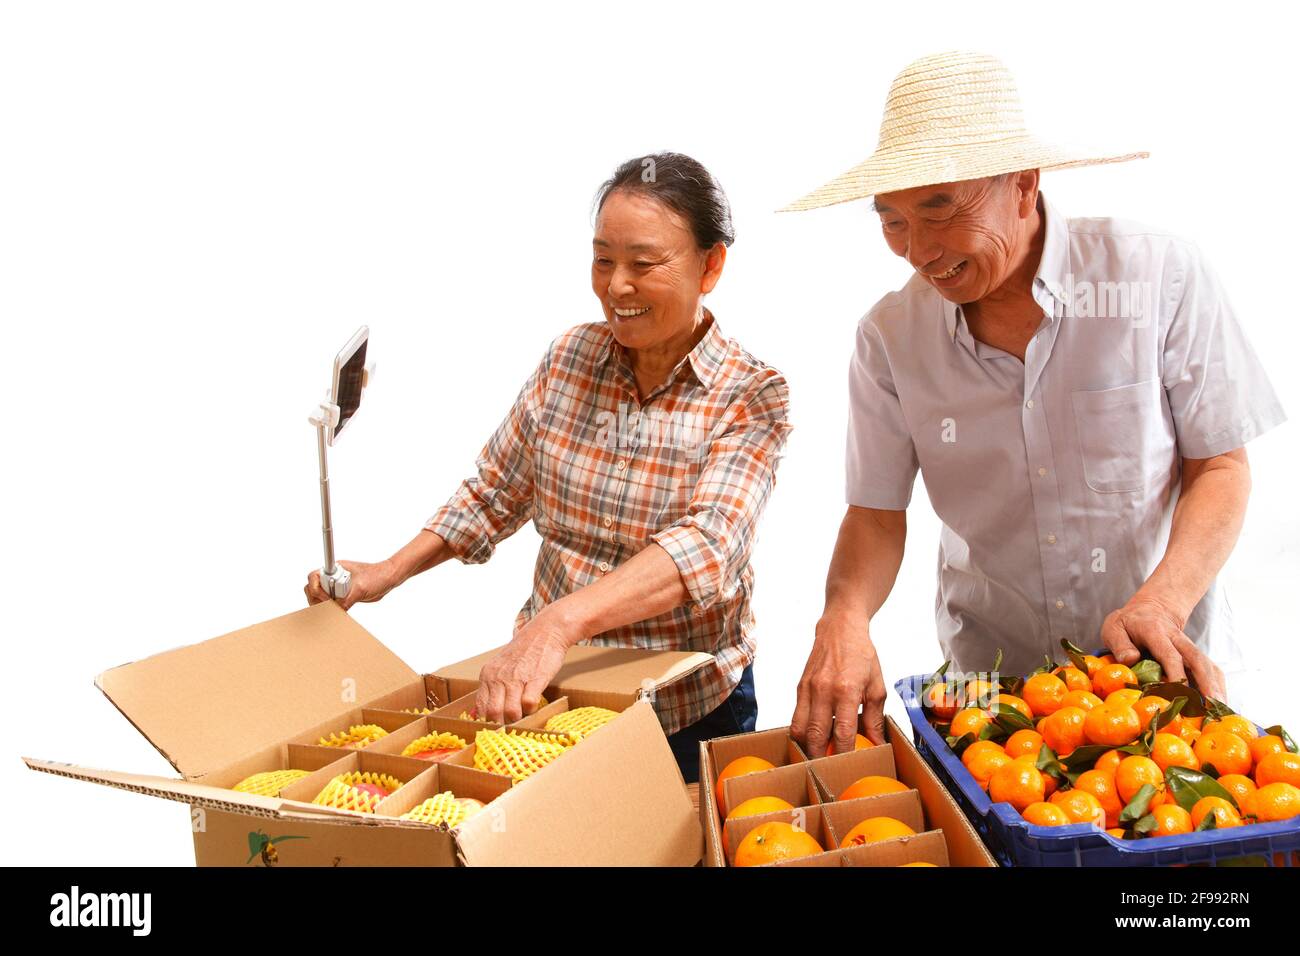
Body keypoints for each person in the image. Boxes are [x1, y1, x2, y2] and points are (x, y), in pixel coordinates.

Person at [780, 51, 1286, 757]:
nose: (918, 250)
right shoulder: (889, 338)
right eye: (891, 219)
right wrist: (843, 617)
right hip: (994, 693)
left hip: (1158, 676)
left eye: (940, 209)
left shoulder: (1157, 276)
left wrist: (1162, 602)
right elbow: (875, 512)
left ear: (1022, 185)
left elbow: (1221, 467)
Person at [305, 152, 792, 783]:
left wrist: (556, 624)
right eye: (602, 259)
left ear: (711, 265)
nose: (617, 286)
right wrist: (386, 574)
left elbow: (707, 547)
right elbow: (494, 491)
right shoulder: (570, 358)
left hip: (686, 712)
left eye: (643, 264)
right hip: (558, 700)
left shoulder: (751, 394)